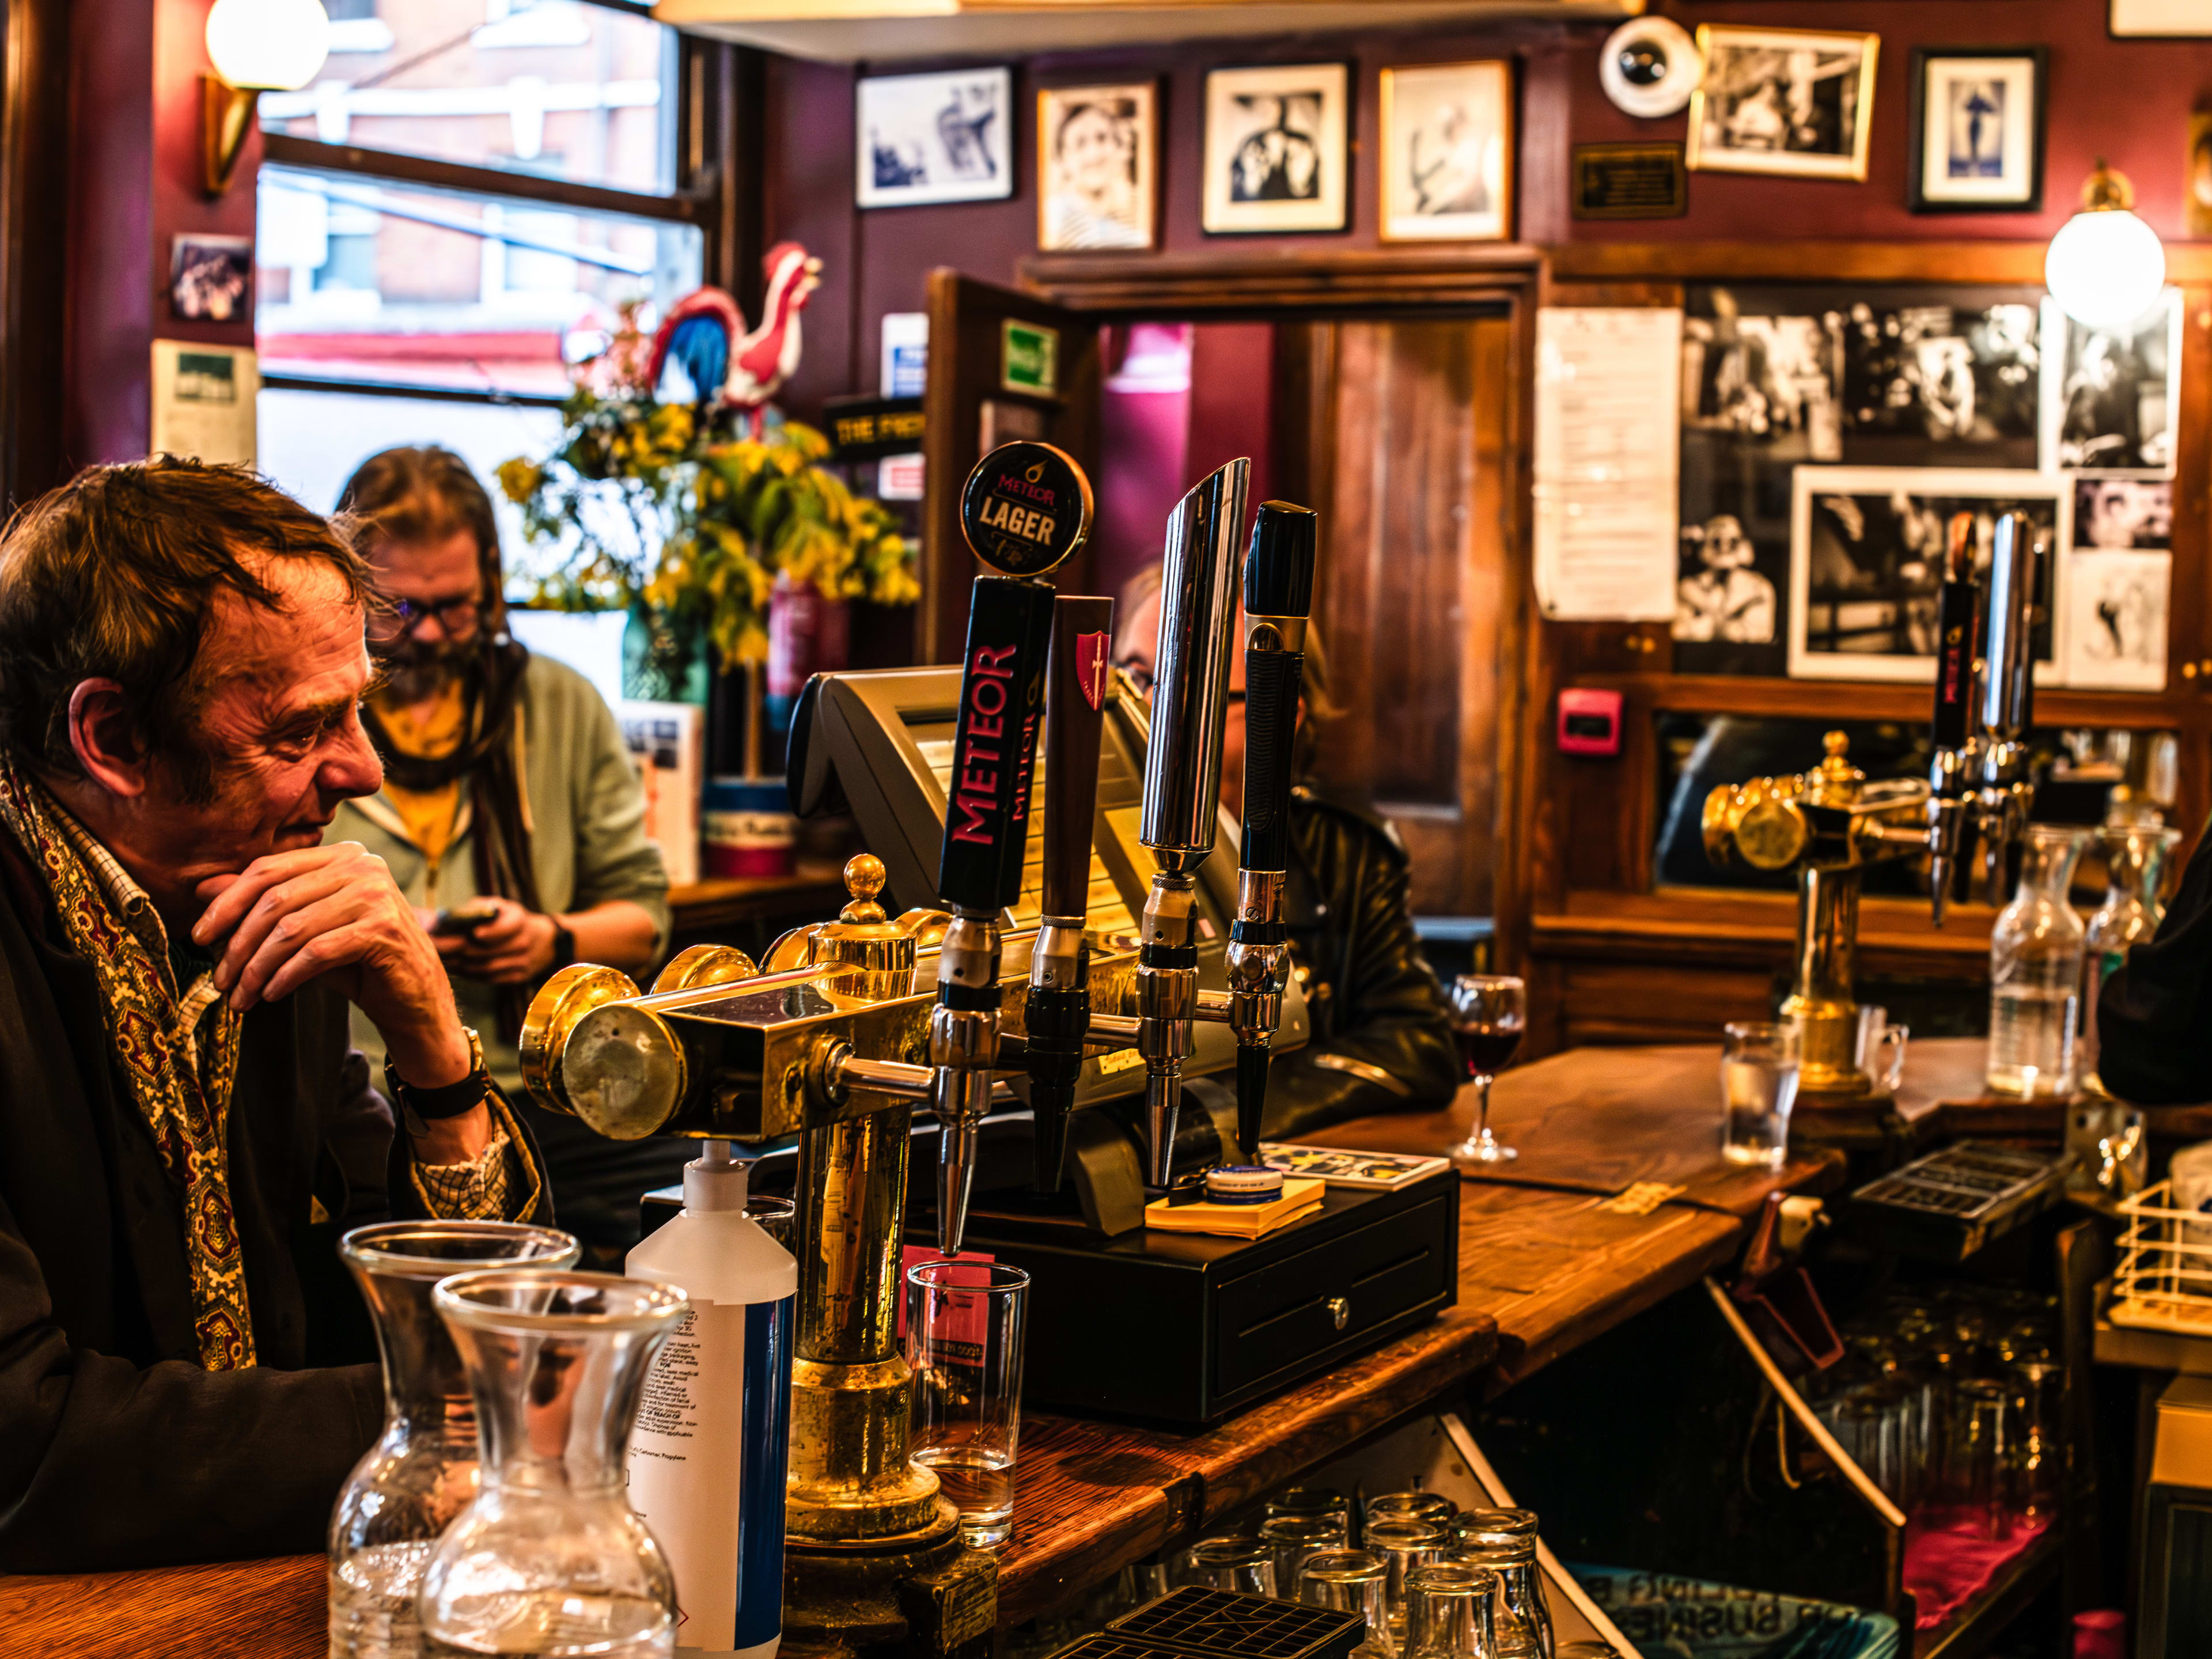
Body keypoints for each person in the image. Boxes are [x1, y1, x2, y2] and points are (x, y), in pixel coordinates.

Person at [0, 457, 551, 1571]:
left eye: (360, 708)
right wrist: (439, 1430)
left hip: (230, 1575)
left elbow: (432, 1312)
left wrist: (435, 1057)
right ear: (112, 739)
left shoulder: (259, 901)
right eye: (302, 730)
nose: (366, 767)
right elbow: (24, 1439)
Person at [329, 447, 676, 1263]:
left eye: (458, 607)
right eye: (402, 610)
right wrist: (386, 938)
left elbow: (643, 920)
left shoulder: (555, 705)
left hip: (541, 1088)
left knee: (698, 1203)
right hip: (367, 1095)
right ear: (353, 593)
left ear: (490, 580)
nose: (436, 635)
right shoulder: (321, 720)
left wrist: (548, 938)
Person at [1114, 565, 1459, 1137]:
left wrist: (1215, 1121)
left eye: (1190, 694)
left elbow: (1418, 1044)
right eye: (1135, 679)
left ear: (1277, 720)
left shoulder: (1343, 851)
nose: (1148, 714)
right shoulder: (1064, 854)